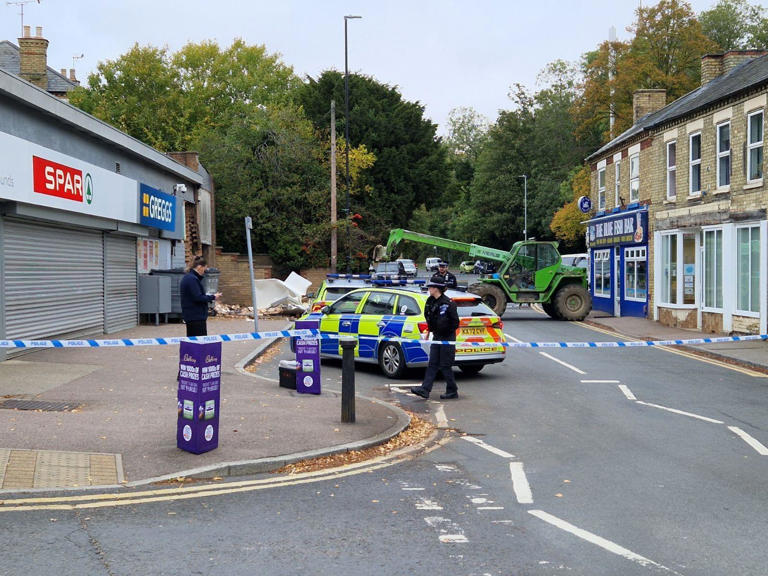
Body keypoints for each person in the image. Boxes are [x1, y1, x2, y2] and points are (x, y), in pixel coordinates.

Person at [410, 277, 460, 400]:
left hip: (447, 337)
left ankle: (452, 390)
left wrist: (446, 334)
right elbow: (429, 316)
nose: (429, 289)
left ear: (436, 288)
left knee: (445, 365)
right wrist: (430, 330)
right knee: (432, 363)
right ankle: (425, 390)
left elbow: (455, 323)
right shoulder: (431, 301)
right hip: (437, 336)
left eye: (430, 287)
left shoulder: (449, 304)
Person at [180, 255, 222, 337]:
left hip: (192, 316)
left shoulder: (189, 278)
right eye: (204, 268)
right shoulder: (192, 279)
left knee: (193, 343)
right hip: (196, 317)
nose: (205, 271)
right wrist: (213, 297)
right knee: (199, 343)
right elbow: (198, 297)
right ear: (199, 267)